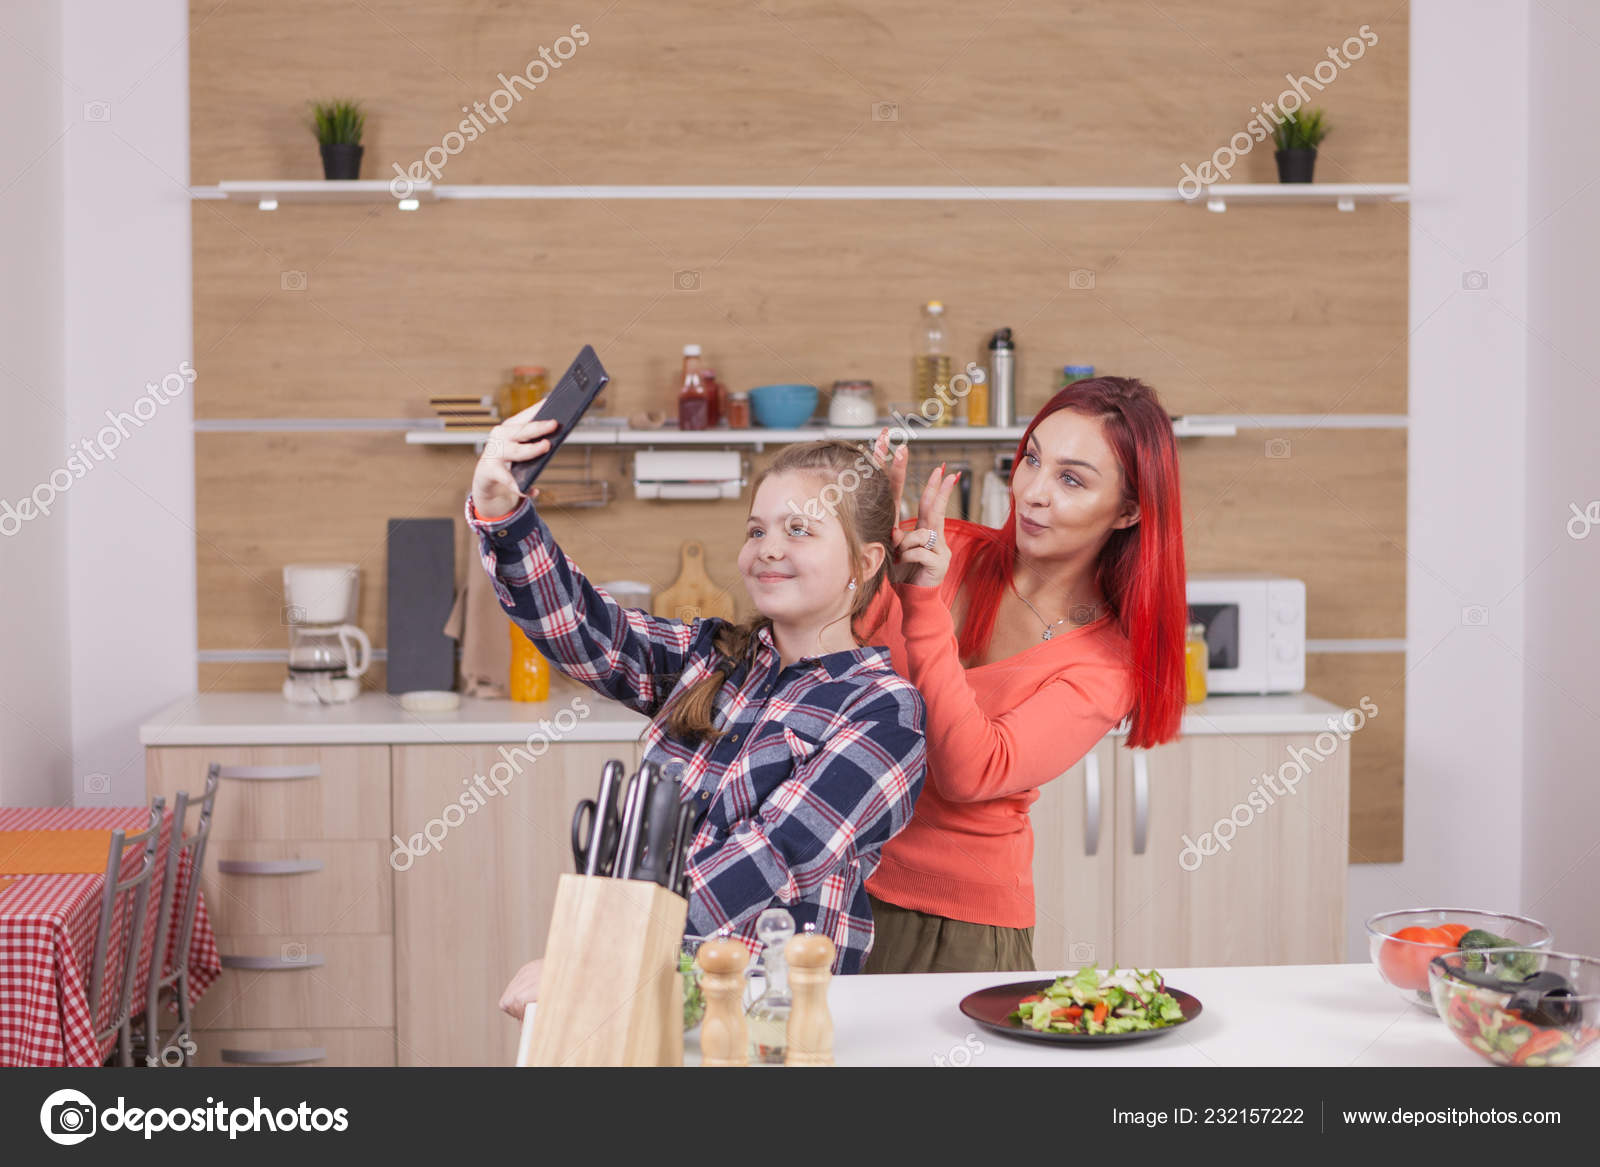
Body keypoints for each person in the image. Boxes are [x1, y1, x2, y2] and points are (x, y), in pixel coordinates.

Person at [469, 406, 926, 1019]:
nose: (767, 550)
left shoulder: (884, 713)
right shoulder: (709, 658)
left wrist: (593, 954)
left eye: (799, 531)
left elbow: (771, 858)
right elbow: (578, 626)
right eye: (756, 530)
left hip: (767, 1023)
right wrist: (504, 513)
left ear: (865, 564)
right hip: (641, 992)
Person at [856, 375, 1188, 973]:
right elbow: (832, 649)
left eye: (1071, 479)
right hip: (834, 881)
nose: (1032, 492)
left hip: (953, 924)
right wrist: (863, 541)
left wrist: (923, 603)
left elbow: (968, 770)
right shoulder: (944, 548)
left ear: (1129, 511)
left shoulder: (1104, 667)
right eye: (1032, 459)